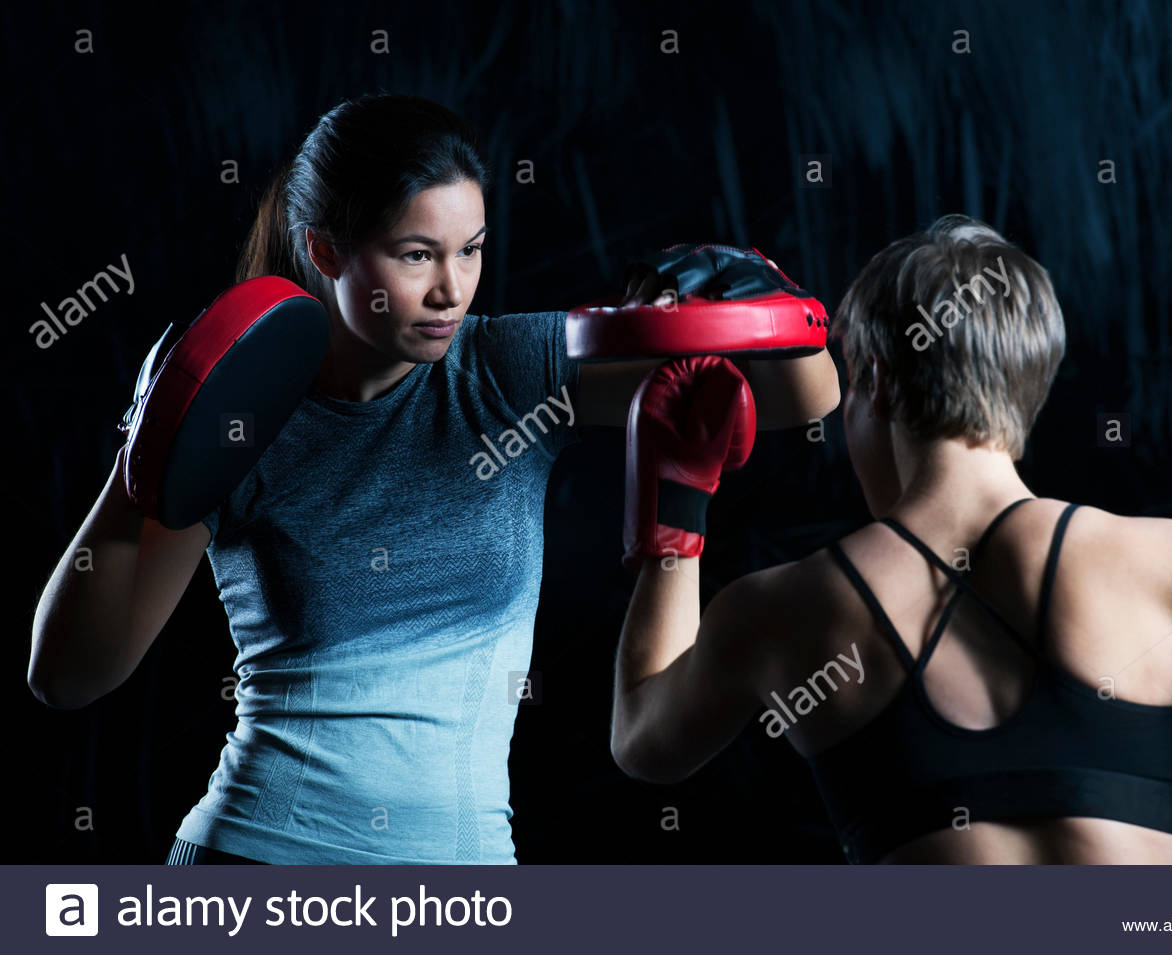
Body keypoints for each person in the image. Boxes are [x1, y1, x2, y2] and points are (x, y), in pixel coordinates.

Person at [27, 92, 841, 864]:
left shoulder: (506, 369)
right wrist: (142, 455)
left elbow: (799, 400)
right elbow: (68, 675)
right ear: (325, 250)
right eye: (417, 255)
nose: (451, 289)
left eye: (472, 250)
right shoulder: (243, 414)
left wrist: (762, 301)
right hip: (259, 863)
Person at [609, 214, 1172, 864]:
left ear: (875, 377)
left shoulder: (783, 610)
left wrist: (678, 503)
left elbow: (644, 742)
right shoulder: (1168, 560)